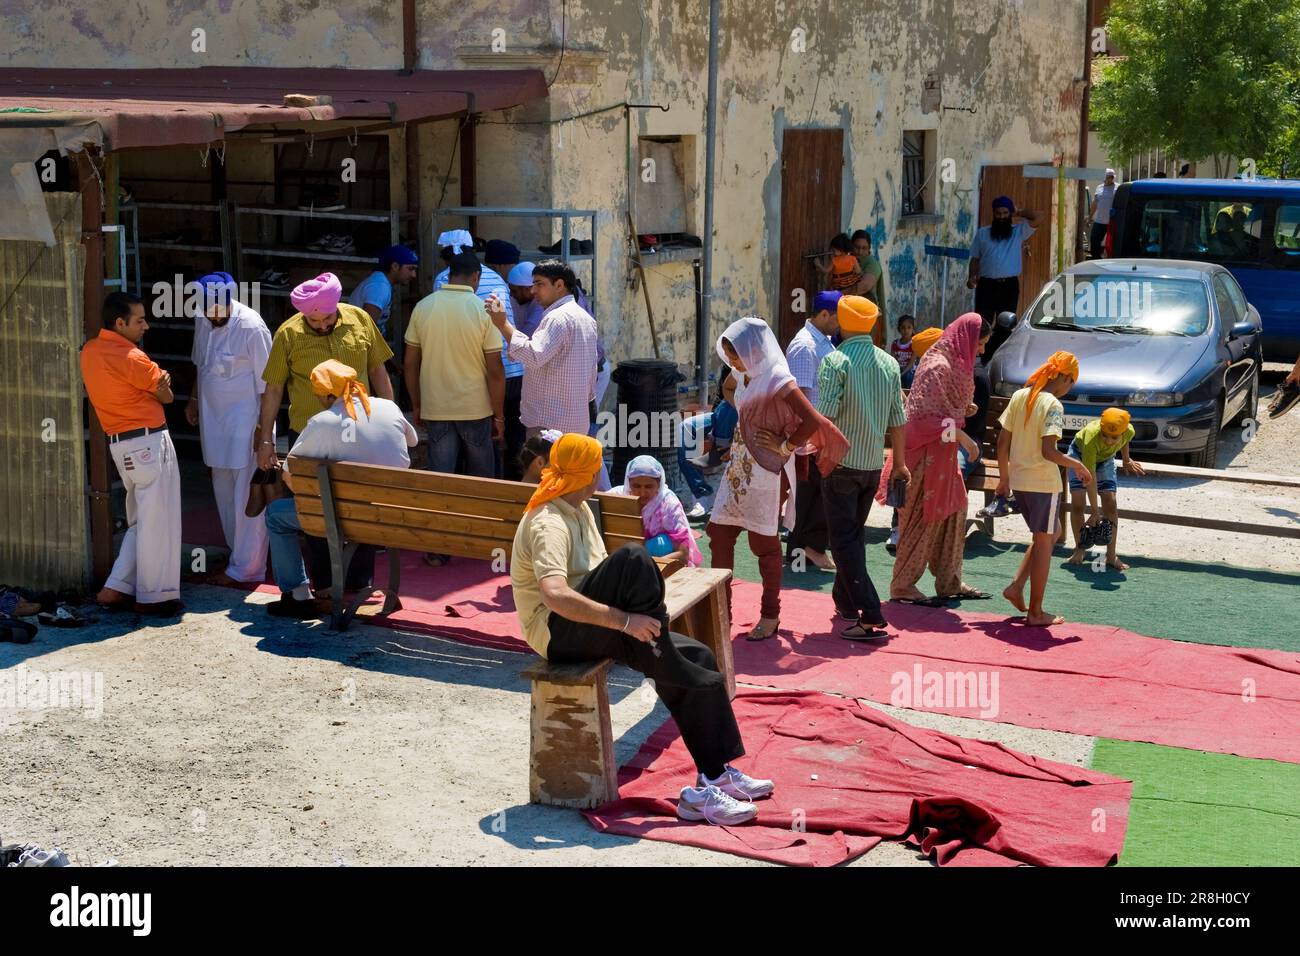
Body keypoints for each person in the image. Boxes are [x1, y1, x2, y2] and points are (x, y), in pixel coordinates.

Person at [510, 433, 772, 825]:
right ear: (584, 473)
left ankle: (712, 778)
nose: (601, 473)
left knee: (696, 657)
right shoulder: (549, 521)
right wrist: (626, 622)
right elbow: (555, 595)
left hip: (586, 623)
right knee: (634, 556)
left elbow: (597, 578)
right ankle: (659, 644)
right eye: (595, 466)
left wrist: (632, 622)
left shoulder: (579, 507)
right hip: (557, 633)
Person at [707, 317, 848, 642]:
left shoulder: (777, 377)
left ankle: (770, 615)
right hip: (739, 468)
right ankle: (720, 614)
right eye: (729, 356)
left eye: (736, 355)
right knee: (719, 535)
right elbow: (731, 389)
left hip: (765, 473)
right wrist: (748, 425)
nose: (733, 362)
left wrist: (785, 445)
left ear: (753, 349)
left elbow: (812, 419)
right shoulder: (745, 374)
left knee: (764, 544)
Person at [257, 272, 394, 593]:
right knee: (314, 514)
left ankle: (358, 583)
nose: (320, 325)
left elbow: (378, 370)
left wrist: (389, 414)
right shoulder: (288, 334)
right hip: (309, 440)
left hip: (359, 435)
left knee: (358, 509)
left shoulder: (360, 319)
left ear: (337, 306)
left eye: (327, 318)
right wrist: (265, 439)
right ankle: (325, 584)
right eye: (313, 321)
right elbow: (273, 389)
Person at [263, 361, 417, 618]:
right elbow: (410, 441)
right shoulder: (388, 407)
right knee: (354, 502)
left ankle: (298, 595)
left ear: (325, 394)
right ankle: (357, 581)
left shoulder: (323, 422)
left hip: (343, 518)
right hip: (390, 514)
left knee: (276, 515)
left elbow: (291, 474)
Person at [81, 292, 183, 616]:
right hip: (149, 441)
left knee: (142, 521)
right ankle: (155, 597)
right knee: (159, 522)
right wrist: (162, 384)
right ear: (120, 322)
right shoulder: (133, 357)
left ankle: (116, 587)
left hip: (121, 445)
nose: (146, 326)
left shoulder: (90, 351)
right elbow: (166, 396)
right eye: (139, 320)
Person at [815, 296, 907, 639]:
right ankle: (846, 601)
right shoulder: (889, 364)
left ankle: (870, 614)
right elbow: (899, 419)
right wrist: (898, 463)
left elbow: (823, 415)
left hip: (839, 464)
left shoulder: (835, 361)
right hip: (872, 464)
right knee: (852, 535)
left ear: (841, 321)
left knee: (843, 541)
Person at [885, 314, 992, 605]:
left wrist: (961, 410)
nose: (981, 350)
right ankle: (903, 586)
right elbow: (923, 422)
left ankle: (949, 581)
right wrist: (963, 436)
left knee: (954, 511)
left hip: (942, 458)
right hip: (922, 458)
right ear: (967, 339)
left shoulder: (952, 363)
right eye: (980, 344)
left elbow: (943, 407)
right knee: (922, 519)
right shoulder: (937, 366)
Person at [186, 272, 272, 585]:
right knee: (223, 490)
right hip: (214, 421)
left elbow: (269, 384)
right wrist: (194, 399)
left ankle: (248, 569)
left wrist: (263, 433)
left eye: (214, 308)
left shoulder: (251, 326)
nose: (210, 313)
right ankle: (238, 557)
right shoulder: (201, 318)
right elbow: (200, 363)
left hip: (247, 422)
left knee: (246, 495)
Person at [995, 351, 1092, 627]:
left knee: (1049, 536)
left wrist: (1004, 478)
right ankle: (1035, 612)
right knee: (1046, 540)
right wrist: (1077, 465)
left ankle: (1016, 587)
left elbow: (1002, 443)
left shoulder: (1020, 396)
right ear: (1063, 376)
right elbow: (1049, 452)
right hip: (1043, 484)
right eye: (1071, 382)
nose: (1068, 388)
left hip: (1020, 481)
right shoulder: (1052, 405)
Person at [404, 251, 505, 480]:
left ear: (450, 276)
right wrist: (499, 416)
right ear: (476, 277)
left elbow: (410, 364)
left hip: (436, 407)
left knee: (442, 480)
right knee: (481, 481)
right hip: (476, 409)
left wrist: (418, 405)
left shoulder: (422, 307)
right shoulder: (484, 311)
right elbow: (496, 371)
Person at [435, 232, 522, 478]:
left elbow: (447, 329)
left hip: (481, 374)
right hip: (513, 368)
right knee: (514, 444)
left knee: (480, 448)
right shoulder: (495, 276)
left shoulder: (444, 280)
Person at [487, 259, 599, 439]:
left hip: (549, 426)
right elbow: (591, 374)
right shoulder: (585, 318)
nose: (533, 291)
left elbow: (533, 356)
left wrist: (503, 323)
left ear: (560, 285)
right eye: (533, 285)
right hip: (575, 421)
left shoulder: (557, 318)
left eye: (539, 284)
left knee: (544, 468)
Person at [783, 290, 840, 571]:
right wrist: (806, 438)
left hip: (819, 433)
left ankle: (804, 548)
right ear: (824, 315)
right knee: (812, 495)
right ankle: (809, 548)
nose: (841, 323)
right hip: (810, 435)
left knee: (814, 495)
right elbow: (800, 398)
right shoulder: (805, 346)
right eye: (838, 317)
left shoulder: (823, 341)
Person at [1066, 407, 1143, 571]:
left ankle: (1111, 555)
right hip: (1079, 457)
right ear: (1100, 429)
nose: (1108, 440)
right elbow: (1089, 478)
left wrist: (1126, 459)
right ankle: (1080, 549)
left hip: (1106, 459)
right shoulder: (1091, 439)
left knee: (1110, 502)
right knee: (1078, 502)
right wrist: (1094, 511)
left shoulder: (1129, 431)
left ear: (1123, 432)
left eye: (1114, 437)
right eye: (1105, 435)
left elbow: (1126, 440)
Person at [967, 195, 1041, 354]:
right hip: (986, 286)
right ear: (994, 214)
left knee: (1005, 325)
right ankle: (980, 357)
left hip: (1009, 286)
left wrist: (1018, 211)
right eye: (998, 213)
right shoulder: (982, 234)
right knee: (981, 323)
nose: (1001, 217)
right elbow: (975, 258)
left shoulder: (1018, 232)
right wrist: (971, 276)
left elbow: (1038, 217)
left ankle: (996, 356)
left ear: (1010, 213)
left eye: (1005, 213)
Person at [614, 455, 703, 567]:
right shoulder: (618, 497)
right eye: (636, 486)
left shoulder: (668, 504)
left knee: (661, 543)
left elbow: (683, 553)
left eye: (649, 486)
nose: (642, 493)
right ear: (628, 483)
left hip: (662, 565)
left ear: (659, 485)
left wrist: (649, 566)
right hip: (625, 563)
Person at [348, 244, 418, 339]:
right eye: (410, 269)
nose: (414, 275)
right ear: (395, 266)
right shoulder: (380, 287)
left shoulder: (381, 282)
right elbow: (365, 329)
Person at [851, 229, 888, 347]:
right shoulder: (848, 261)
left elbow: (863, 287)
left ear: (869, 249)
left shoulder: (872, 264)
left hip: (868, 319)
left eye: (864, 248)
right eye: (857, 247)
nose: (860, 251)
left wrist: (839, 293)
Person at [1087, 169, 1117, 259]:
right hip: (1099, 220)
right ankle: (1096, 258)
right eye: (1107, 177)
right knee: (1094, 240)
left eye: (1110, 177)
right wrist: (1090, 217)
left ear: (1113, 178)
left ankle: (1112, 259)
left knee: (1113, 242)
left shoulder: (1117, 188)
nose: (1108, 179)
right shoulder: (1099, 188)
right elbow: (1095, 203)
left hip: (1112, 221)